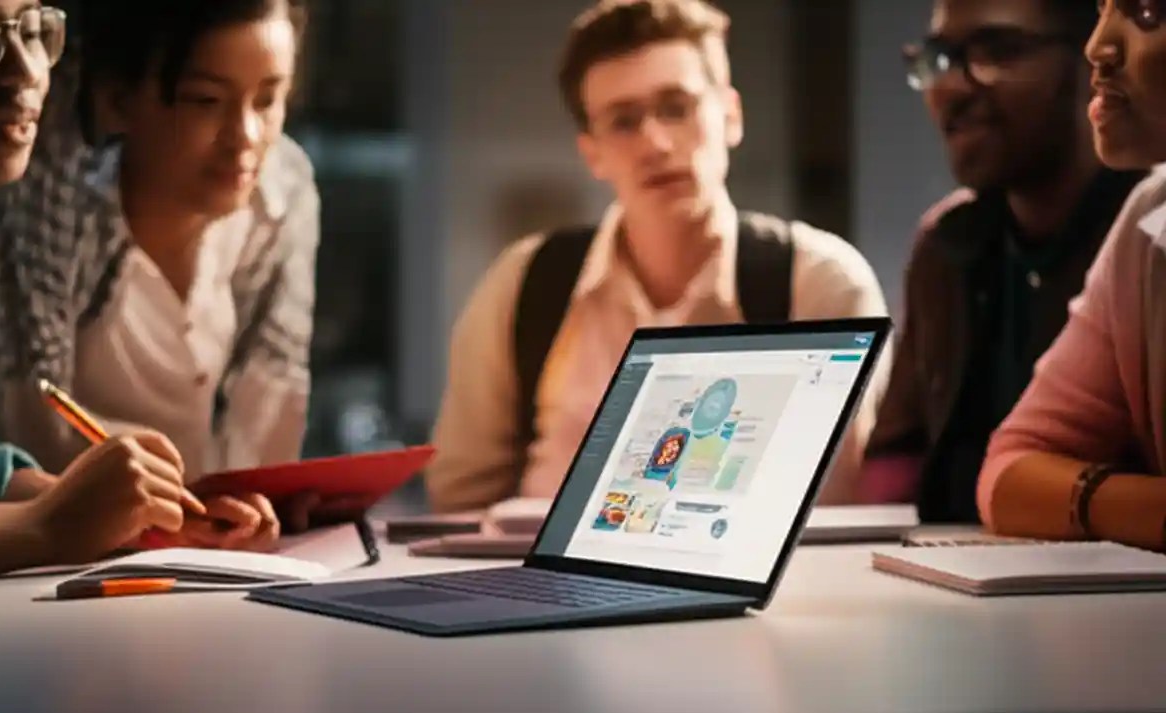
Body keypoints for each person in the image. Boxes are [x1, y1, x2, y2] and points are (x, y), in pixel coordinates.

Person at [425, 0, 890, 512]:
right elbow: (459, 504)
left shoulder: (818, 284)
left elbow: (831, 511)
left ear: (730, 116)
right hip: (545, 582)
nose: (655, 142)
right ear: (592, 151)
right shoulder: (526, 284)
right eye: (623, 121)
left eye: (677, 107)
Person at [0, 0, 220, 585]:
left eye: (36, 31)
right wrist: (49, 526)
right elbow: (28, 519)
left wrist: (134, 515)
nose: (26, 72)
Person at [0, 0, 321, 534]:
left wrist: (263, 510)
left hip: (207, 544)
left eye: (269, 100)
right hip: (58, 541)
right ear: (117, 97)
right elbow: (32, 426)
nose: (245, 136)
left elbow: (271, 400)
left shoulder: (281, 195)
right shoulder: (49, 199)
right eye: (206, 101)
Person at [861, 0, 1144, 522]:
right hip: (952, 581)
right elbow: (894, 460)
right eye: (940, 57)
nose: (950, 86)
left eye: (998, 50)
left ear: (1092, 61)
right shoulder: (948, 243)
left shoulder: (1146, 235)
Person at [979, 0, 1166, 551]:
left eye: (1149, 14)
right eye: (1105, 8)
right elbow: (1011, 472)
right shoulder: (1147, 227)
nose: (1098, 47)